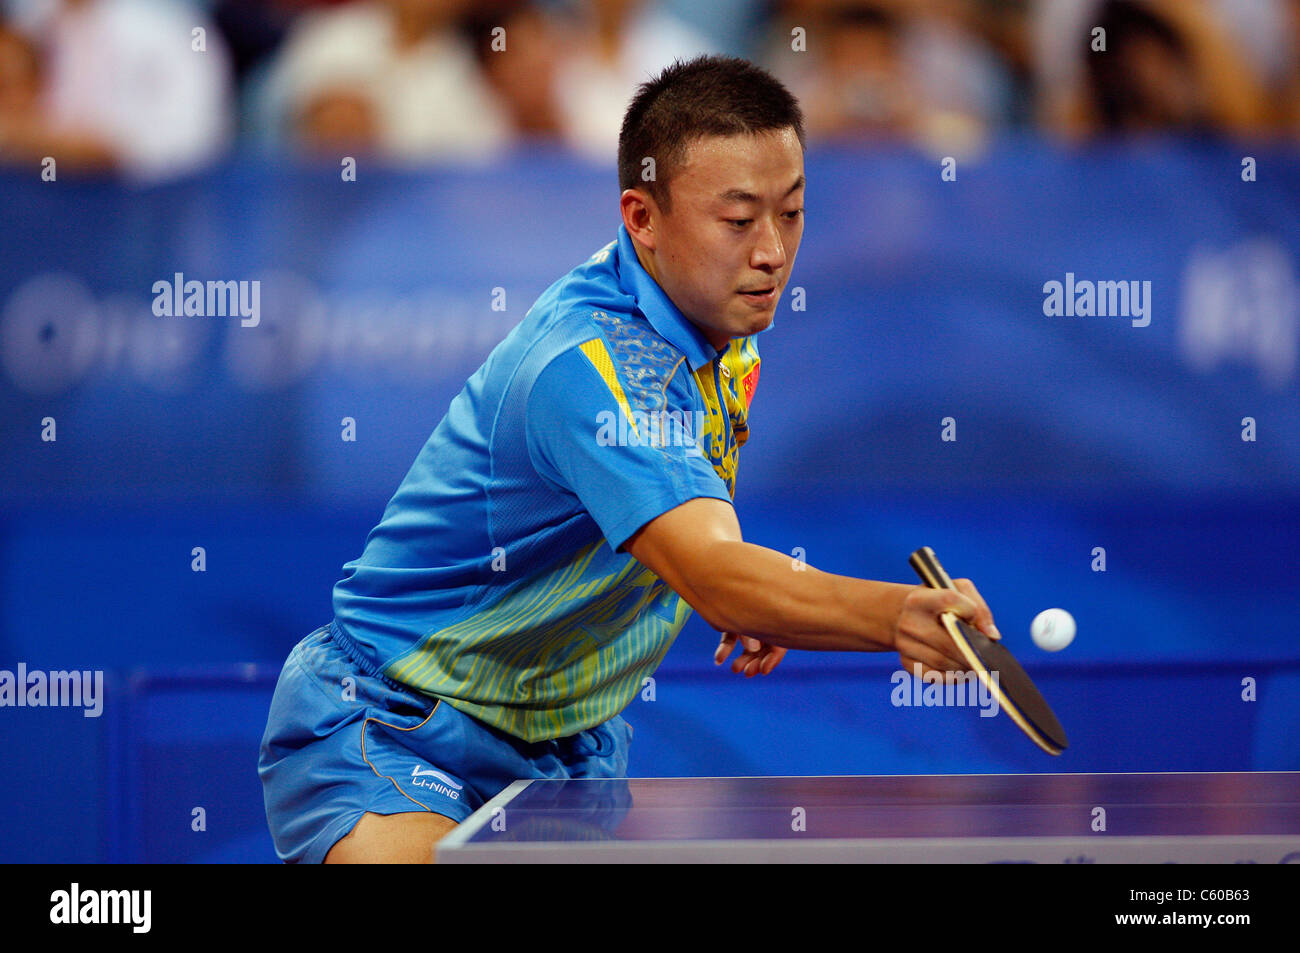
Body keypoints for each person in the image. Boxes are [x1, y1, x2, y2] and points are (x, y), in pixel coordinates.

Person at [258, 54, 999, 864]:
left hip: (565, 750)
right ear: (642, 216)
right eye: (738, 218)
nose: (773, 252)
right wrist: (885, 614)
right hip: (395, 720)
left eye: (791, 213)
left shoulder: (724, 333)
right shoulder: (591, 366)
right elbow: (714, 571)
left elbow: (699, 522)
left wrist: (760, 593)